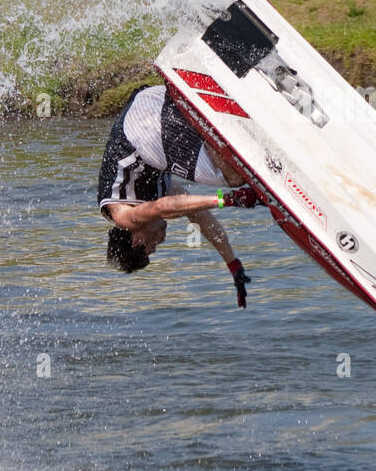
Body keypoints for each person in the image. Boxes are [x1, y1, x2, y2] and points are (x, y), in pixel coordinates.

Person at [97, 83, 263, 306]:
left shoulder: (124, 217)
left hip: (147, 126)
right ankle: (203, 101)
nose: (161, 240)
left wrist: (228, 200)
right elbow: (199, 217)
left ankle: (204, 114)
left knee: (234, 177)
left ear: (136, 241)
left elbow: (164, 207)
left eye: (152, 246)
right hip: (148, 106)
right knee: (222, 167)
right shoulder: (142, 191)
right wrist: (232, 263)